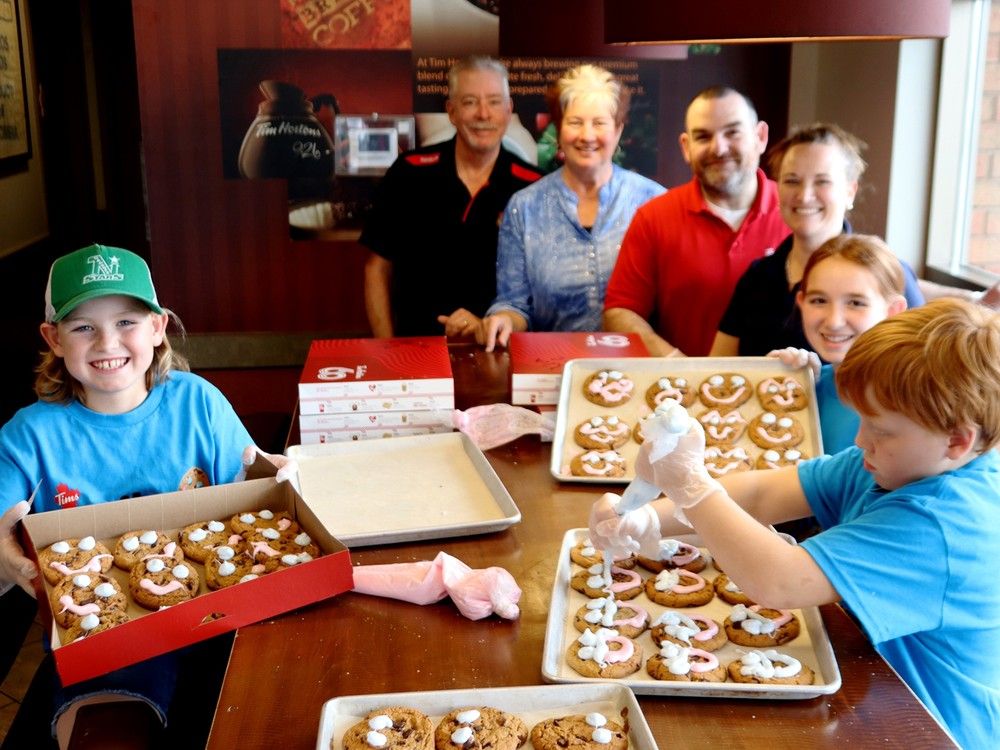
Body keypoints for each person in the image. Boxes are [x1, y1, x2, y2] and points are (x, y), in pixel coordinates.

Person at [590, 297, 1000, 750]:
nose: (861, 439)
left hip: (927, 727)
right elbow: (762, 495)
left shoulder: (944, 525)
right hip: (871, 687)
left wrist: (692, 484)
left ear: (958, 441)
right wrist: (647, 517)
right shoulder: (892, 465)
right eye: (862, 420)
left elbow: (780, 581)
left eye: (881, 430)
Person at [0, 243, 290, 748]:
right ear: (53, 338)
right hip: (106, 639)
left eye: (127, 322)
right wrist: (5, 553)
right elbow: (1, 524)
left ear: (158, 328)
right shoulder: (30, 435)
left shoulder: (197, 401)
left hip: (217, 617)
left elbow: (249, 494)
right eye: (83, 326)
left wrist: (278, 477)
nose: (107, 342)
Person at [479, 64, 664, 351]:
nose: (587, 136)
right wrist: (503, 318)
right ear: (559, 129)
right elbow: (513, 302)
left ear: (618, 131)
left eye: (600, 123)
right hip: (551, 370)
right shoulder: (524, 207)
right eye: (575, 122)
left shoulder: (654, 202)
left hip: (639, 373)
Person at [361, 56, 542, 339]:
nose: (484, 114)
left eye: (494, 102)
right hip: (415, 353)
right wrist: (388, 351)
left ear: (509, 110)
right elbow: (377, 269)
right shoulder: (409, 173)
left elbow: (539, 287)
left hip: (503, 352)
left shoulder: (533, 187)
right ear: (451, 111)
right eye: (470, 102)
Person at [602, 86, 789, 357]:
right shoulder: (653, 218)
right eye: (703, 136)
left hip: (779, 393)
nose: (719, 148)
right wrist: (677, 365)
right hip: (682, 394)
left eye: (733, 132)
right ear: (686, 147)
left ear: (760, 137)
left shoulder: (796, 215)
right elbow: (620, 312)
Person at [710, 123, 924, 356]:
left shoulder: (890, 275)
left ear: (850, 191)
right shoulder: (758, 276)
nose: (804, 195)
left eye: (822, 181)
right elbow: (720, 367)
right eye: (792, 181)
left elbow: (917, 376)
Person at [771, 234, 906, 455]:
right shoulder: (808, 385)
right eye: (819, 301)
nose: (834, 321)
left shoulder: (911, 402)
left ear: (893, 311)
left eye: (855, 303)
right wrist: (772, 386)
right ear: (801, 303)